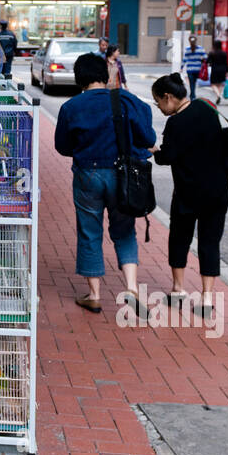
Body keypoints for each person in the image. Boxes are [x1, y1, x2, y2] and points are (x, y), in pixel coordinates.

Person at [55, 53, 156, 316]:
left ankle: (95, 295)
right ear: (106, 74)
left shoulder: (71, 107)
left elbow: (63, 147)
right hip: (122, 176)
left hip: (88, 175)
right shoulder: (128, 101)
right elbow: (148, 137)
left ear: (79, 78)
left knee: (90, 232)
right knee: (124, 231)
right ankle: (132, 288)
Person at [149, 73, 228, 320]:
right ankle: (207, 298)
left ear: (168, 97)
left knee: (180, 238)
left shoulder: (175, 123)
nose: (160, 108)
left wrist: (155, 150)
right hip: (218, 189)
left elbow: (167, 157)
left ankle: (178, 290)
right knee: (210, 241)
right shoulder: (207, 106)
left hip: (188, 192)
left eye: (158, 103)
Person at [182, 35, 206, 100]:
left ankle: (192, 95)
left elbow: (184, 59)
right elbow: (205, 57)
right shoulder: (200, 48)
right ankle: (193, 94)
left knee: (191, 83)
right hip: (198, 69)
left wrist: (181, 67)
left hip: (190, 69)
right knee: (194, 82)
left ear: (189, 41)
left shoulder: (187, 49)